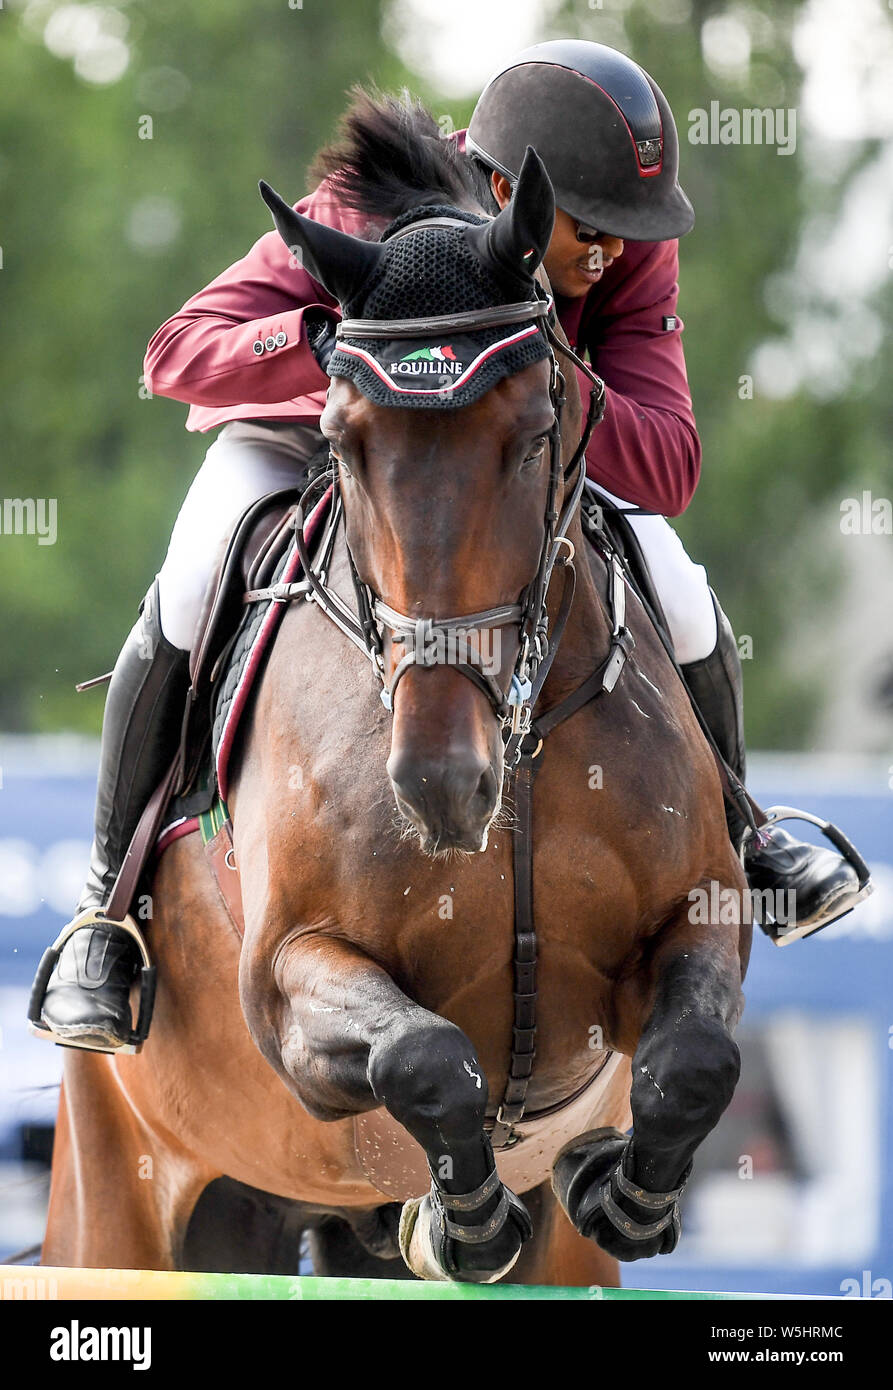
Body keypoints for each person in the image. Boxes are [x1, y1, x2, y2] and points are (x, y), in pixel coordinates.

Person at [30, 40, 870, 1055]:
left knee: (679, 587)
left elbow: (669, 460)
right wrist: (324, 343)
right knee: (193, 571)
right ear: (510, 187)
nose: (610, 253)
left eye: (627, 232)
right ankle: (108, 913)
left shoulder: (625, 240)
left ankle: (748, 842)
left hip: (505, 450)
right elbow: (175, 353)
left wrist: (542, 375)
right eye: (591, 229)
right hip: (323, 433)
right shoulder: (359, 210)